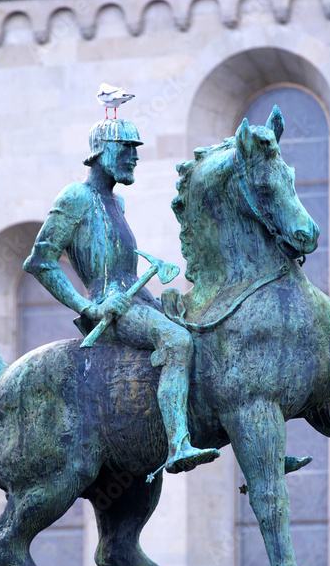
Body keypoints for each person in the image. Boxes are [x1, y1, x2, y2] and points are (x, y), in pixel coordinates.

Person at [23, 117, 220, 475]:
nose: (134, 157)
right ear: (100, 152)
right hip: (111, 308)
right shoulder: (75, 198)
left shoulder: (118, 203)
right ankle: (177, 444)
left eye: (136, 149)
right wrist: (90, 307)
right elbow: (40, 261)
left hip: (138, 299)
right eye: (126, 148)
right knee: (176, 341)